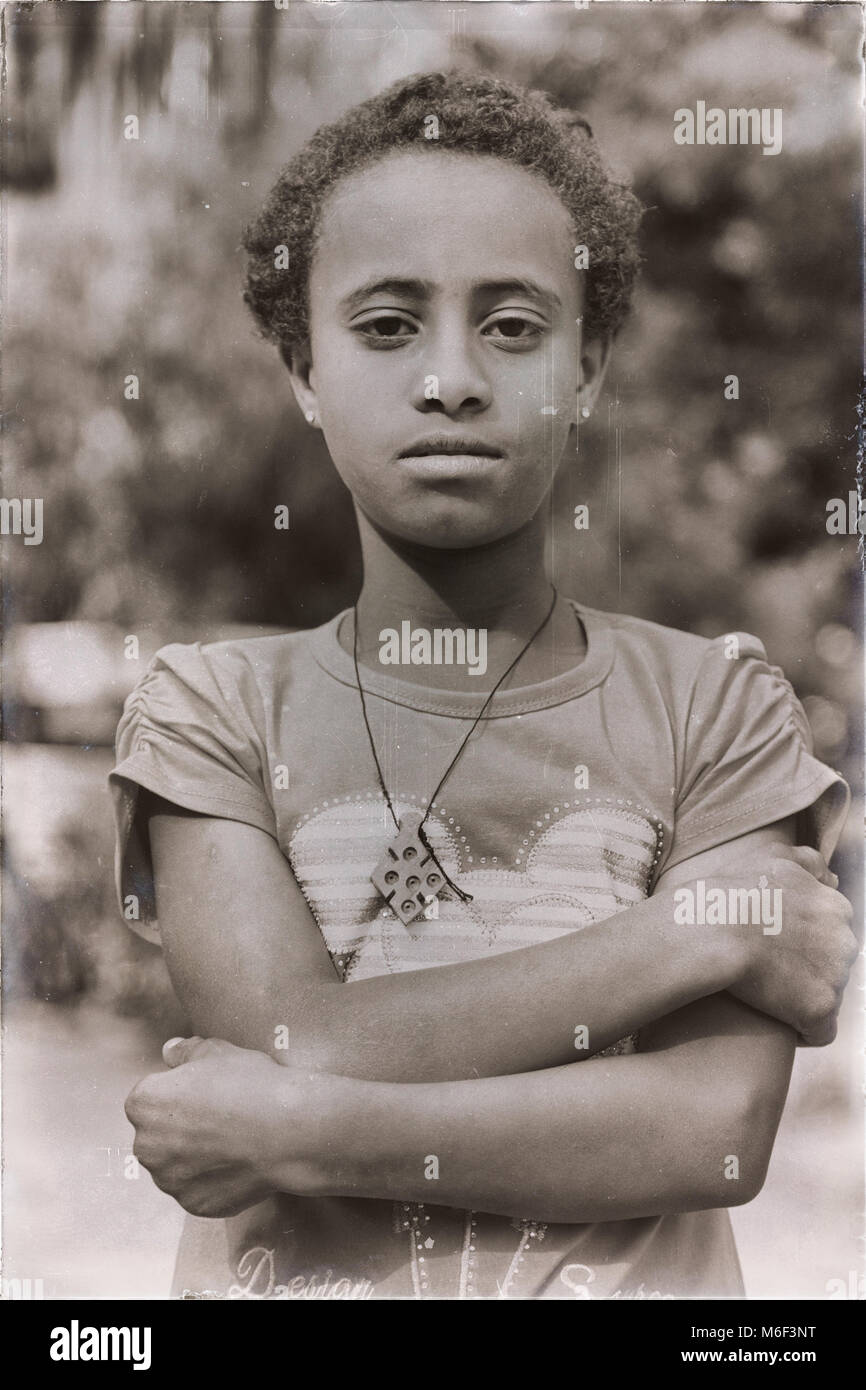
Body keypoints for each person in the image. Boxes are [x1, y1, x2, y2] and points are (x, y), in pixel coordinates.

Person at [111, 71, 856, 1301]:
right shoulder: (211, 711)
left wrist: (296, 1132)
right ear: (302, 367)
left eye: (511, 326)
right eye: (387, 325)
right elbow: (293, 1033)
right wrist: (690, 929)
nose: (449, 379)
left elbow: (708, 1133)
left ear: (590, 365)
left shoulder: (712, 707)